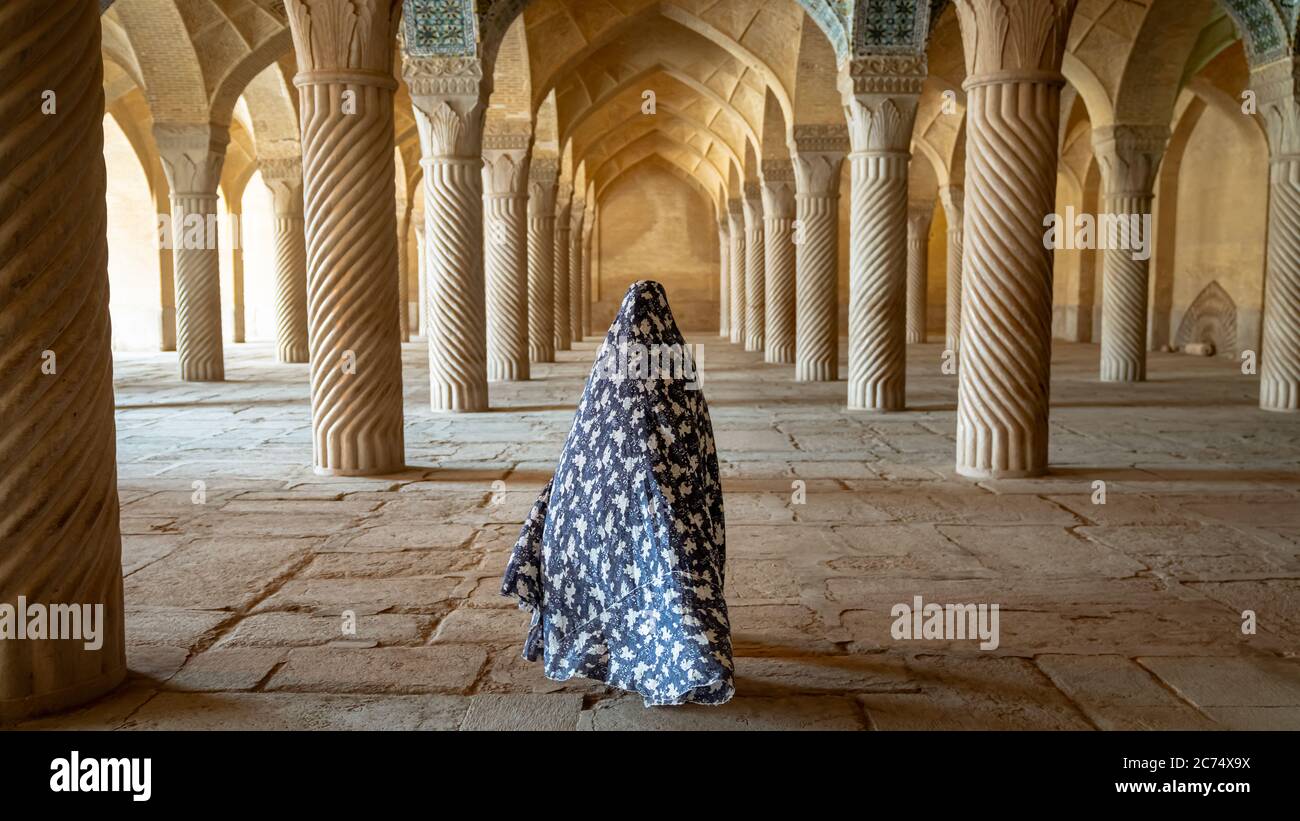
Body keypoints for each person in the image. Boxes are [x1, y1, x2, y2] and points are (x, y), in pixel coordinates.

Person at [501, 280, 734, 706]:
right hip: (667, 495)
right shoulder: (677, 365)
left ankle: (628, 647)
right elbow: (699, 443)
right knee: (671, 566)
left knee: (621, 573)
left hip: (609, 507)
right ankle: (686, 655)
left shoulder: (608, 368)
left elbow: (582, 444)